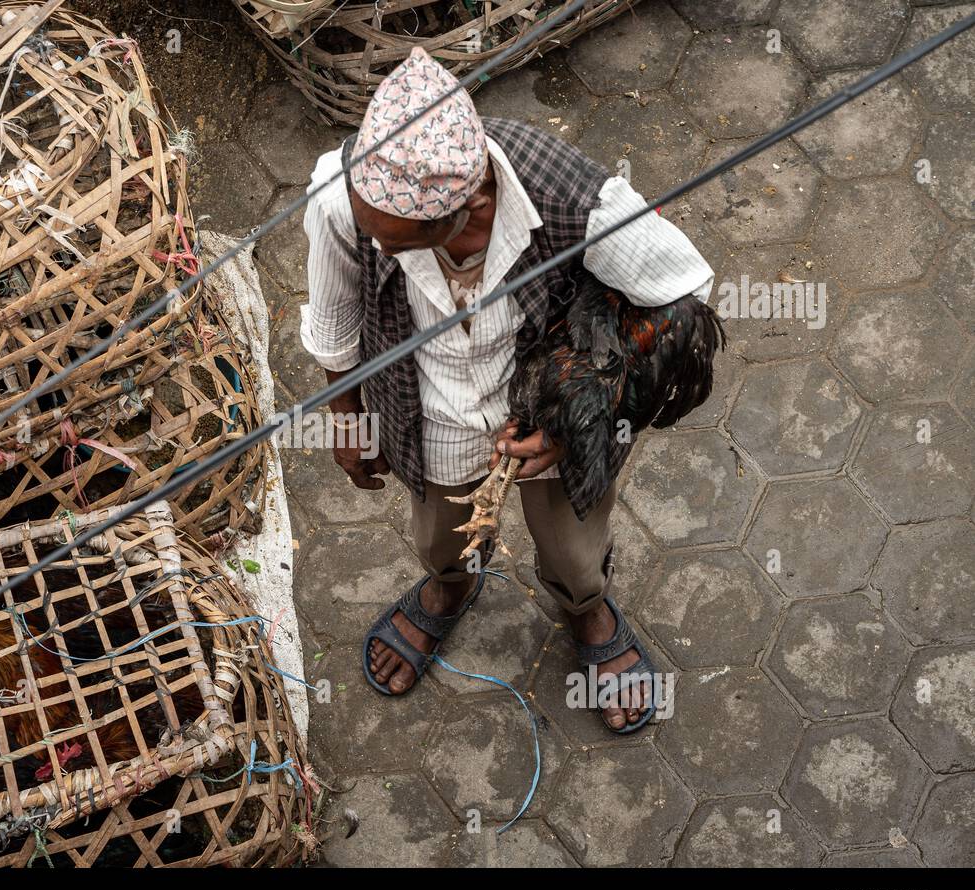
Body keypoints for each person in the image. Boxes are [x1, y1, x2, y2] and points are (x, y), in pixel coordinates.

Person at [299, 47, 714, 732]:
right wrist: (345, 415)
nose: (380, 250)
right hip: (427, 408)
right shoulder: (345, 196)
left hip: (549, 407)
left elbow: (684, 296)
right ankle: (450, 587)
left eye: (396, 244)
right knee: (439, 536)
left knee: (574, 547)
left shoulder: (578, 202)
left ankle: (587, 609)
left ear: (470, 210)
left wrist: (585, 406)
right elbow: (335, 309)